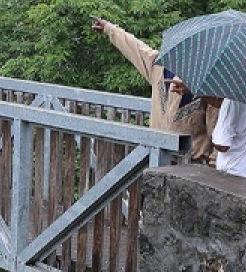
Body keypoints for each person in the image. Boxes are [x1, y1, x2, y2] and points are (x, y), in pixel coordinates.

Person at [91, 17, 217, 165]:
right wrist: (109, 29)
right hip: (158, 156)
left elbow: (216, 130)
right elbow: (135, 48)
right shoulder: (158, 66)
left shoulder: (206, 81)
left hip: (191, 164)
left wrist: (213, 166)